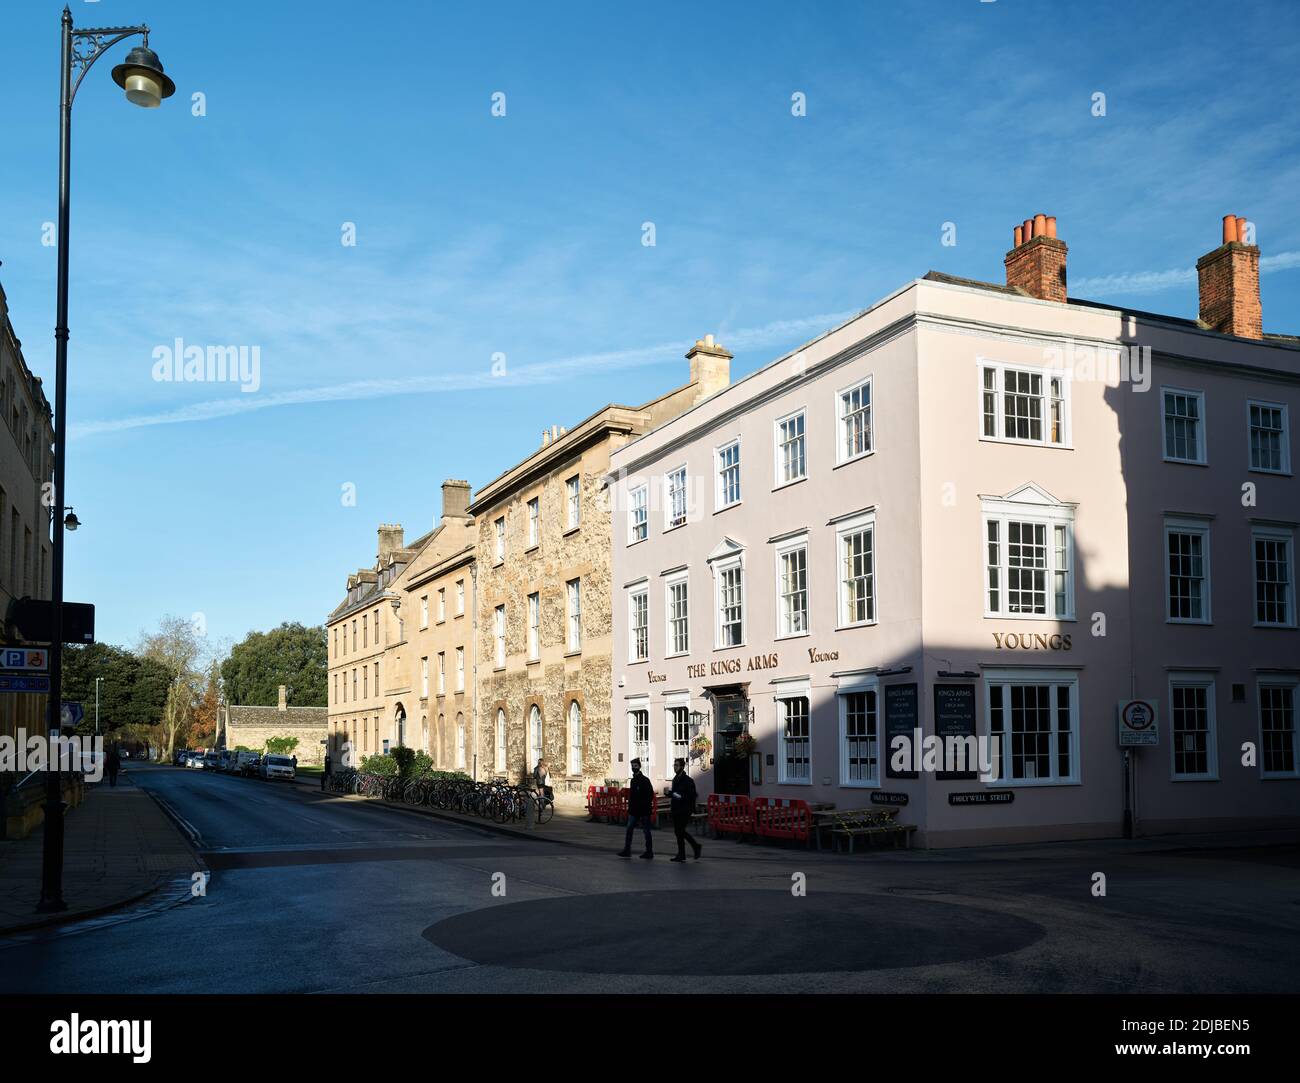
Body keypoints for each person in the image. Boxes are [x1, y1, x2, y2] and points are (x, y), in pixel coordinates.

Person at [617, 758, 655, 859]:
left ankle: (649, 851)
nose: (634, 768)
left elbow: (650, 795)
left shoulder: (645, 780)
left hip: (644, 810)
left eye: (635, 766)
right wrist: (630, 808)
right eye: (632, 766)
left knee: (646, 830)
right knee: (629, 829)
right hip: (634, 810)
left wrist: (643, 805)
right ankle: (627, 849)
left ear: (639, 766)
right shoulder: (633, 781)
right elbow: (632, 796)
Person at [668, 758, 702, 862]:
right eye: (674, 765)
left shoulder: (688, 780)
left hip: (685, 809)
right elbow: (675, 794)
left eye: (677, 765)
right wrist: (671, 794)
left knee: (680, 831)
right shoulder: (675, 779)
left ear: (682, 767)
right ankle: (682, 853)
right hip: (676, 808)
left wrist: (675, 795)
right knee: (678, 832)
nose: (675, 767)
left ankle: (695, 847)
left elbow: (690, 796)